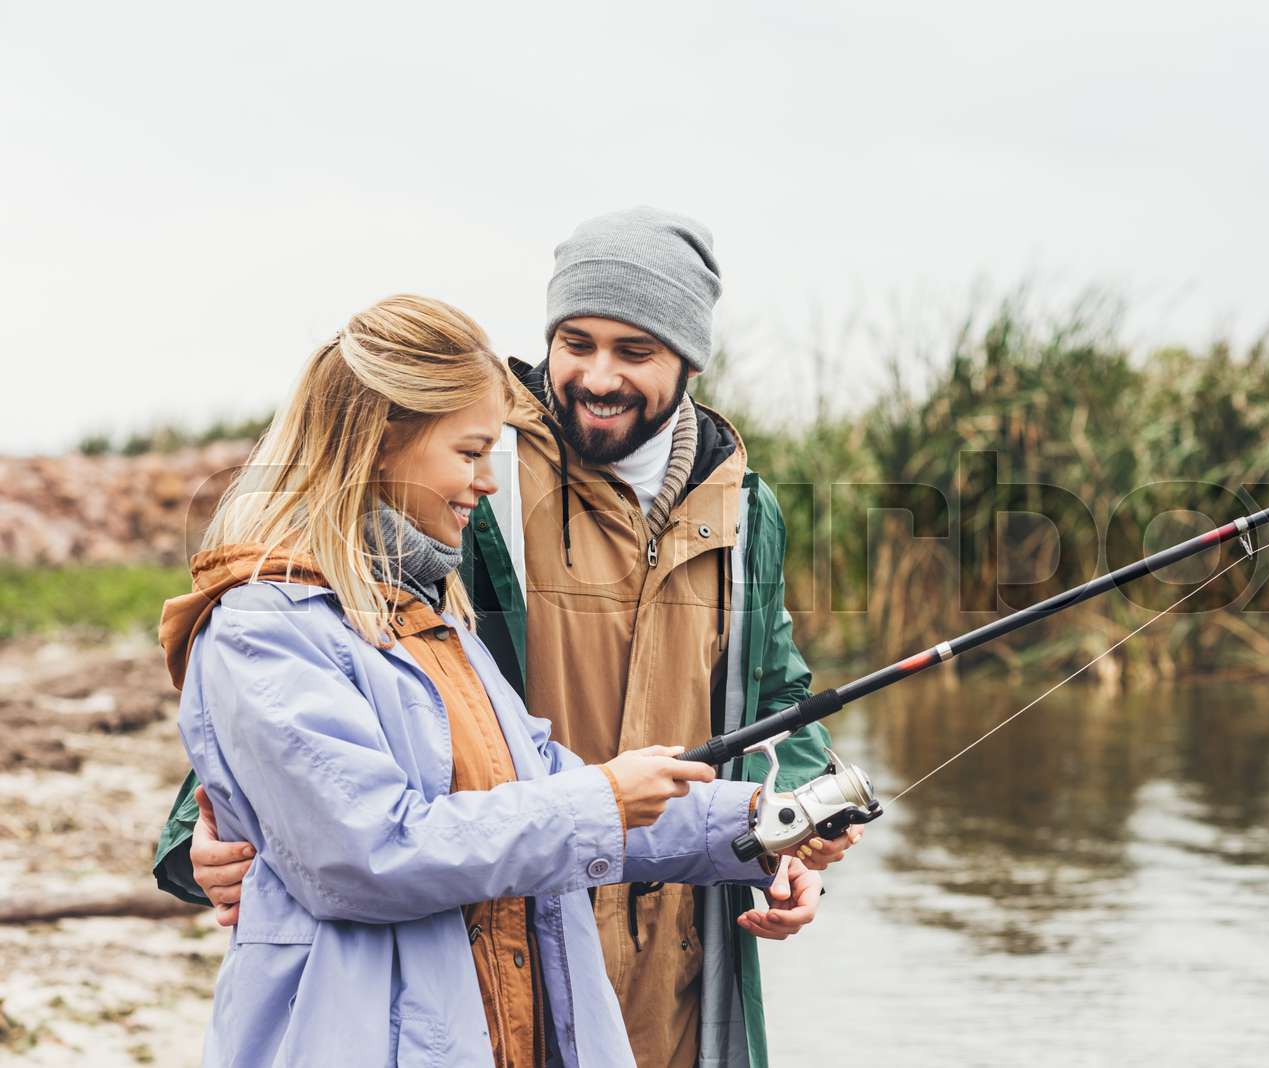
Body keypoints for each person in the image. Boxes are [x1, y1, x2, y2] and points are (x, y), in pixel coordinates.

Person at [154, 211, 860, 1067]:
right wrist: (204, 830)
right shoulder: (334, 588)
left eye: (635, 350)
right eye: (576, 342)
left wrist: (769, 820)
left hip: (632, 964)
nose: (599, 375)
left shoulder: (439, 602)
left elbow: (762, 702)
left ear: (689, 360)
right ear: (383, 447)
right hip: (465, 968)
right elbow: (318, 782)